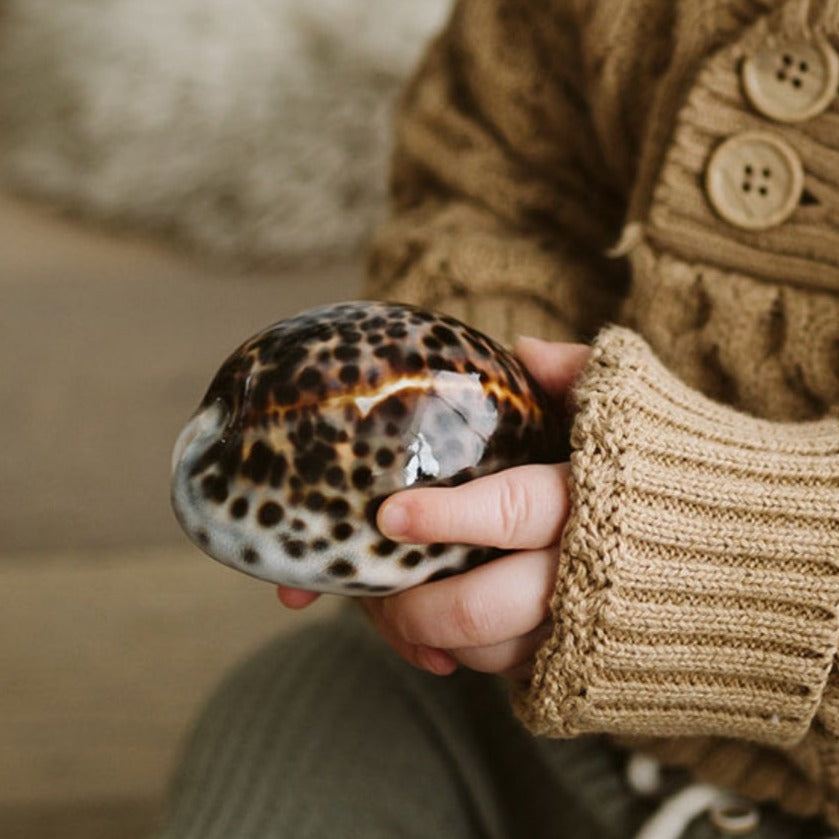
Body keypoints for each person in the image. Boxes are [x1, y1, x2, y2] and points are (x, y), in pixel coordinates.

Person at [154, 1, 839, 837]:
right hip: (516, 666)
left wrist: (756, 566)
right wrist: (469, 438)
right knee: (281, 730)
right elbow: (495, 176)